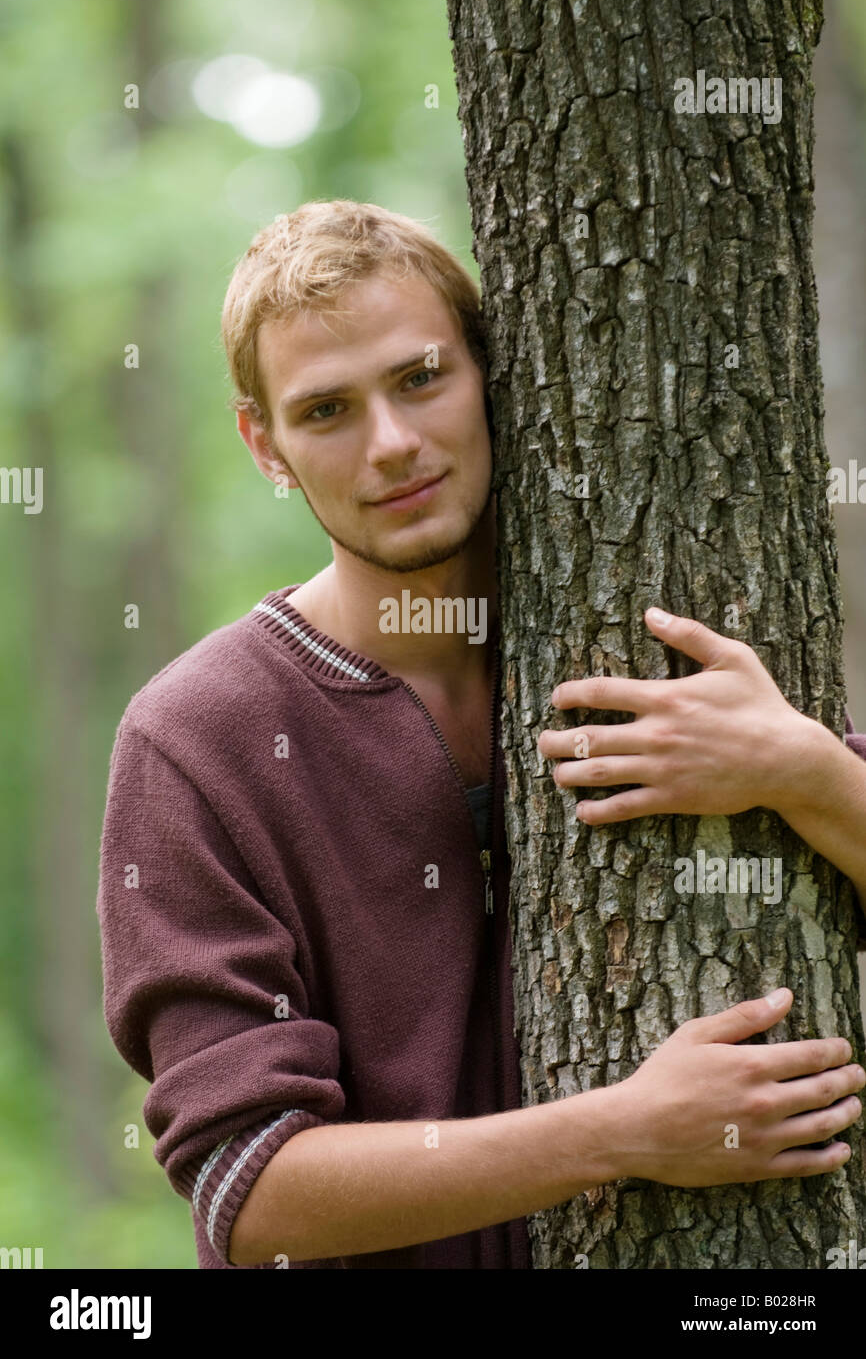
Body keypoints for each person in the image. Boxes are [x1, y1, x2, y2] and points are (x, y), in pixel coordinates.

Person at [97, 200, 866, 1270]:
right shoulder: (195, 738)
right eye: (326, 411)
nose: (393, 444)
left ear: (491, 367)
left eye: (420, 378)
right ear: (263, 441)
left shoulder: (654, 617)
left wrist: (802, 769)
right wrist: (618, 1131)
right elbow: (249, 1188)